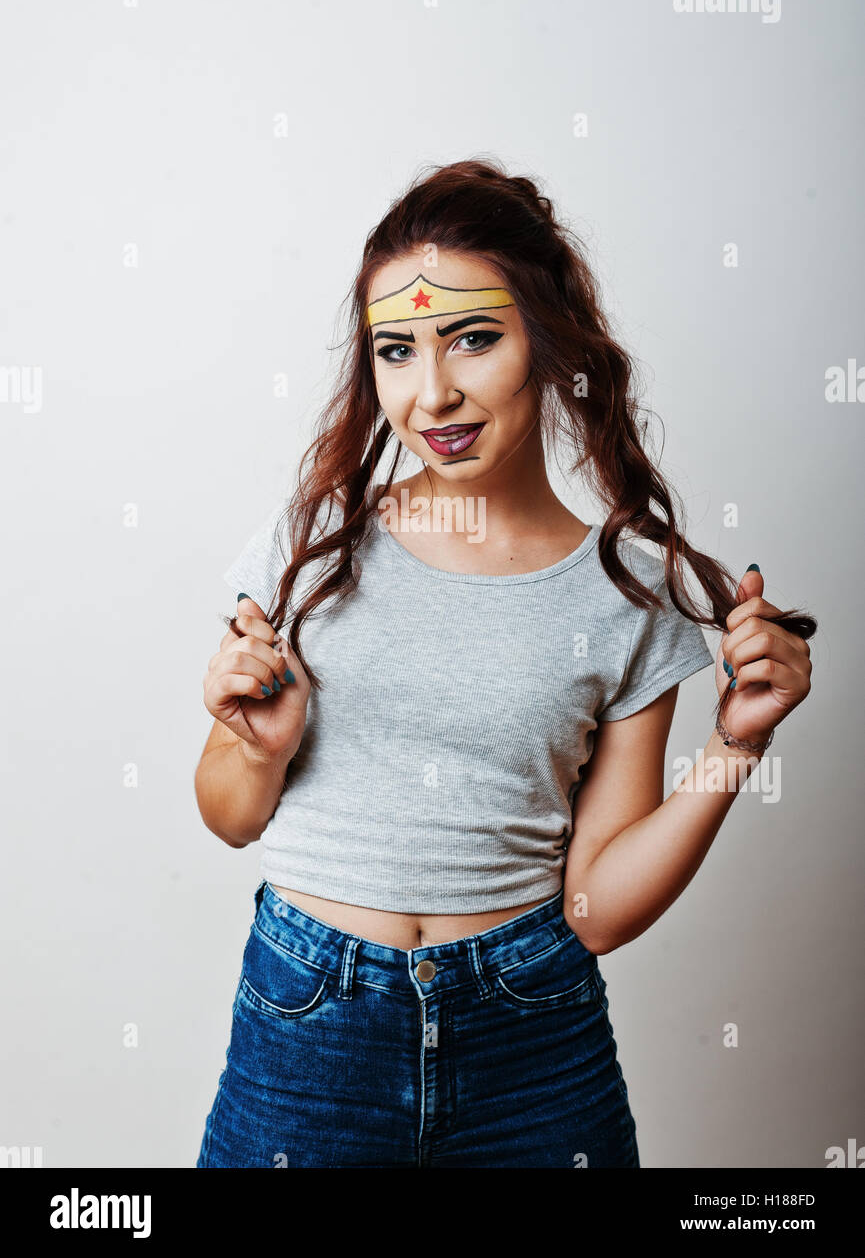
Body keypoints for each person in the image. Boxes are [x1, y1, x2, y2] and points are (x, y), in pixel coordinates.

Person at [194, 158, 815, 1168]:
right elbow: (226, 814)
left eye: (473, 338)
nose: (431, 390)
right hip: (309, 1024)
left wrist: (738, 743)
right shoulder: (311, 547)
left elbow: (597, 909)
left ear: (548, 339)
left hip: (530, 1032)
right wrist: (252, 749)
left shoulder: (631, 590)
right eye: (395, 350)